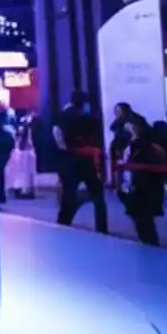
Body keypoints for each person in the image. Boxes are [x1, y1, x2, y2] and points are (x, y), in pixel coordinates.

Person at [54, 90, 108, 234]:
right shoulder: (88, 118)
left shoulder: (63, 116)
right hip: (86, 159)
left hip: (69, 159)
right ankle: (102, 228)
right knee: (97, 195)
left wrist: (66, 149)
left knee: (69, 193)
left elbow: (58, 136)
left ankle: (63, 222)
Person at [117, 116, 167, 246]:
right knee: (143, 222)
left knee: (144, 222)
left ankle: (152, 246)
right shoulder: (139, 146)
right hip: (140, 187)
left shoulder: (142, 147)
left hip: (141, 188)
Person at [7, 108, 38, 199]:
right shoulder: (26, 124)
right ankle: (25, 190)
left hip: (24, 150)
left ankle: (24, 190)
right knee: (25, 172)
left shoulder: (24, 124)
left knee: (24, 172)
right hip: (25, 150)